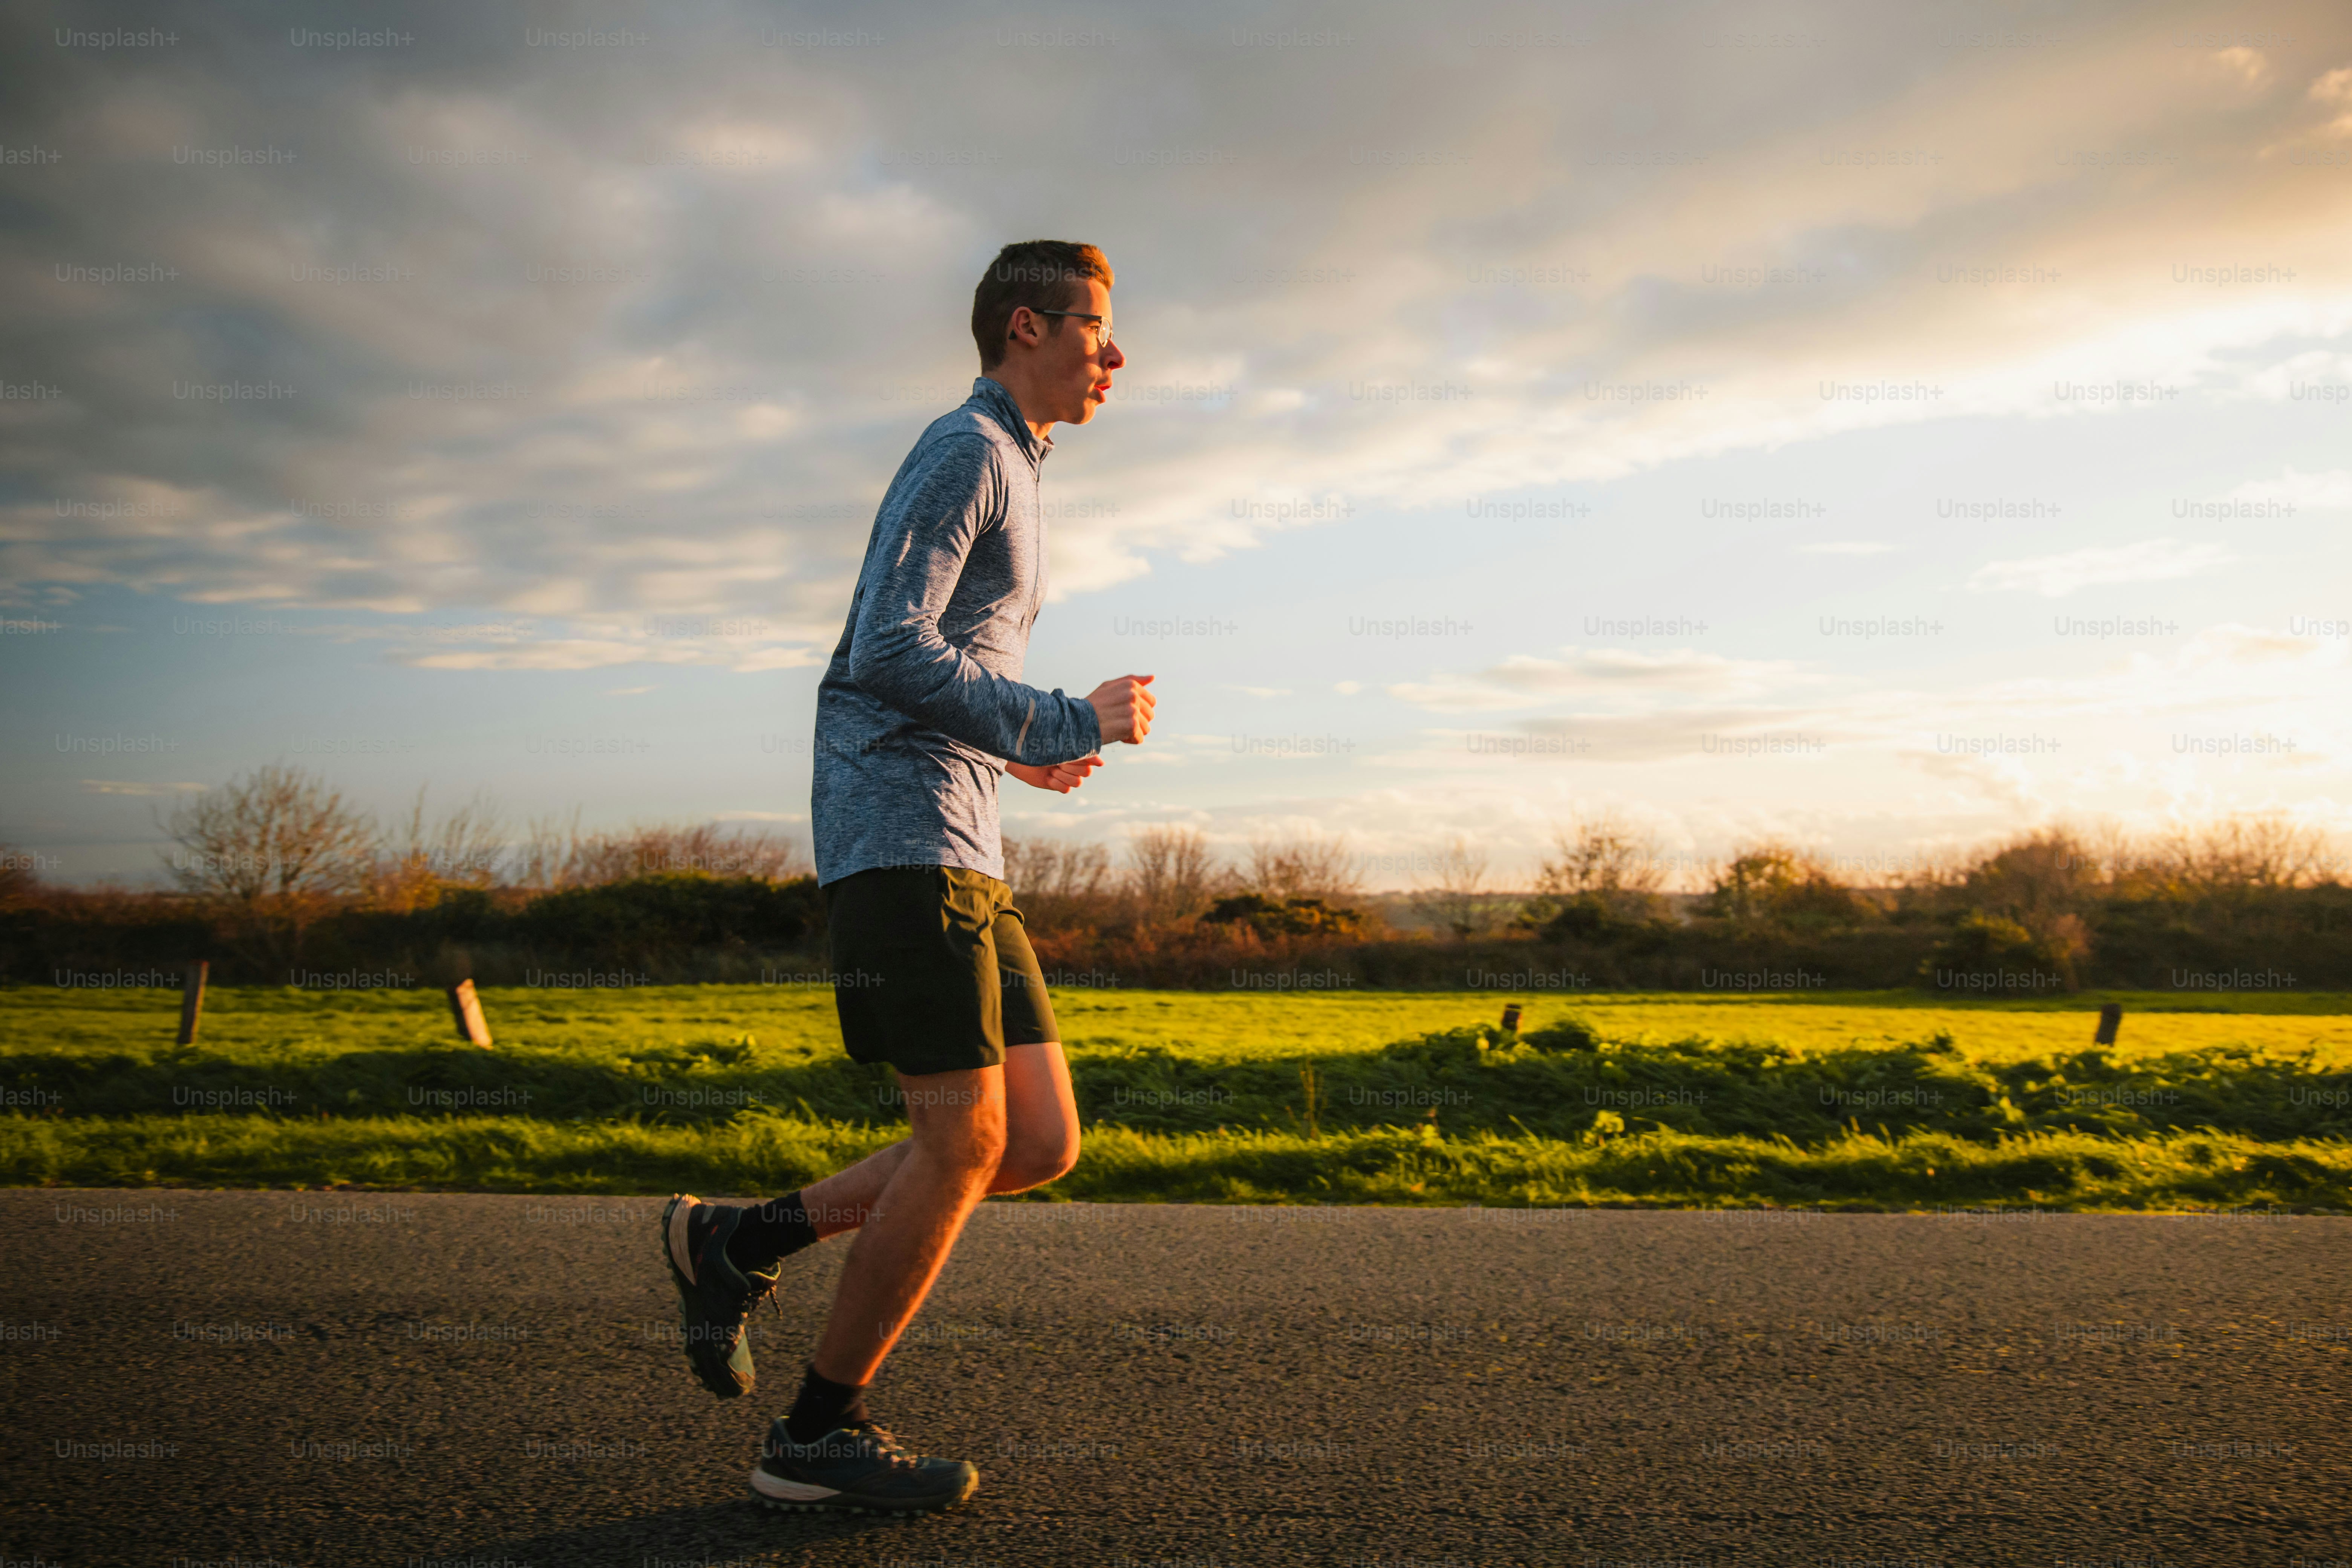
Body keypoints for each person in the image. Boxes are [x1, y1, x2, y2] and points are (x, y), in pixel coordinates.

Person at [661, 239, 1151, 1514]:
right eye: (1096, 327)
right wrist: (1061, 720)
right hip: (902, 839)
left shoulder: (1020, 469)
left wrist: (1019, 758)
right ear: (1027, 326)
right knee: (966, 1134)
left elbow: (940, 663)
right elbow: (883, 646)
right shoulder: (970, 450)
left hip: (964, 835)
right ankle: (816, 1435)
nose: (1116, 353)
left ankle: (742, 1236)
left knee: (1034, 1141)